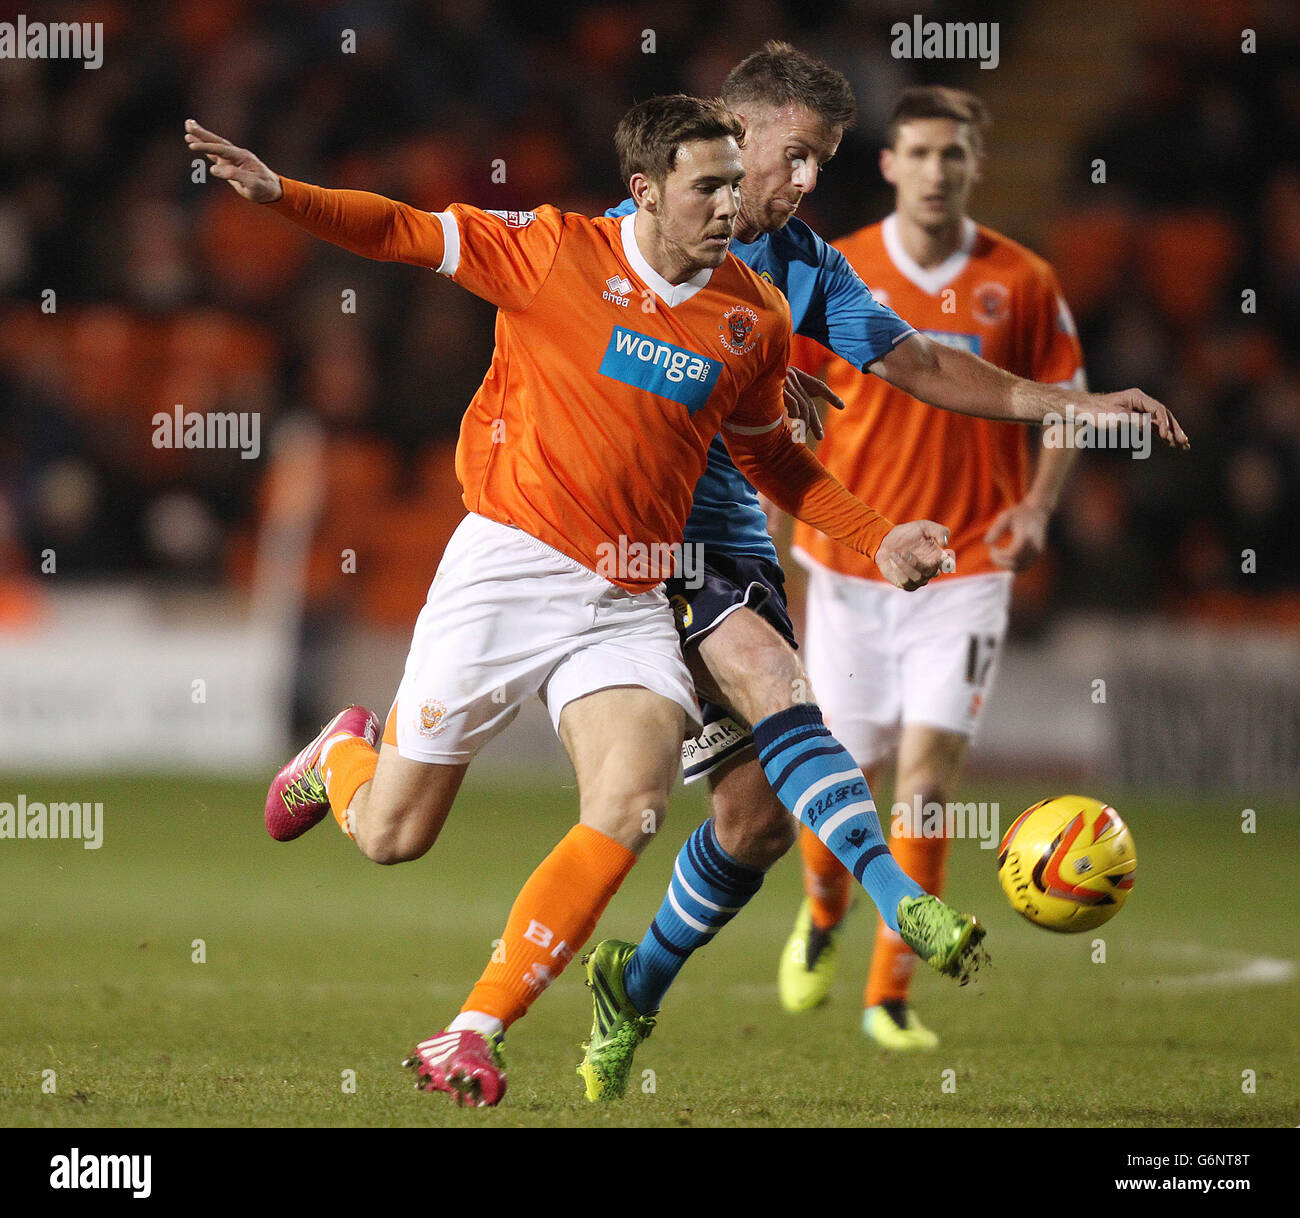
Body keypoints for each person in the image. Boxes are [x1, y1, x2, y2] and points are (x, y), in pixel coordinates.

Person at [183, 95, 956, 1108]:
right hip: (509, 567)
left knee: (632, 805)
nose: (731, 205)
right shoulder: (552, 252)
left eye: (734, 182)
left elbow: (775, 462)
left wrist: (878, 532)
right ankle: (341, 756)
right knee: (391, 837)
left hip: (634, 588)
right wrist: (281, 193)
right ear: (645, 191)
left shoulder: (749, 320)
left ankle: (470, 1030)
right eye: (708, 187)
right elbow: (402, 230)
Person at [581, 43, 1186, 1100]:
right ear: (731, 131)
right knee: (427, 813)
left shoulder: (808, 264)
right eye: (796, 158)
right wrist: (749, 380)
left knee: (756, 819)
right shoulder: (624, 238)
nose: (808, 182)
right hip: (602, 525)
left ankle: (630, 990)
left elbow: (919, 363)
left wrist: (1075, 407)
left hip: (723, 532)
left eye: (822, 163)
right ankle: (893, 894)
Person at [776, 84, 1087, 1050]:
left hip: (968, 567)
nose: (936, 170)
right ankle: (823, 912)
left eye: (953, 154)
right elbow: (774, 385)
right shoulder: (838, 269)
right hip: (851, 564)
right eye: (918, 151)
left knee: (927, 780)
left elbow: (1064, 401)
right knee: (845, 774)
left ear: (973, 166)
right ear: (889, 164)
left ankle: (887, 995)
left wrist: (1036, 505)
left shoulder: (1022, 281)